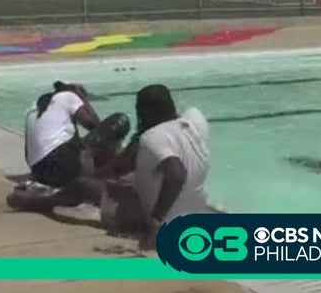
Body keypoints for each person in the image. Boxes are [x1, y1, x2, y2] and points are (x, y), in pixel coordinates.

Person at [13, 81, 129, 210]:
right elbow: (93, 124)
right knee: (119, 120)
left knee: (85, 143)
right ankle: (102, 176)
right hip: (61, 164)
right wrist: (82, 99)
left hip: (39, 170)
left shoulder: (37, 103)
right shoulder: (68, 96)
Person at [125, 84, 211, 250]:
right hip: (194, 215)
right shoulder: (190, 128)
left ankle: (57, 201)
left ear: (145, 112)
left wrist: (155, 220)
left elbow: (176, 173)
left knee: (87, 186)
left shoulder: (151, 137)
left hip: (167, 223)